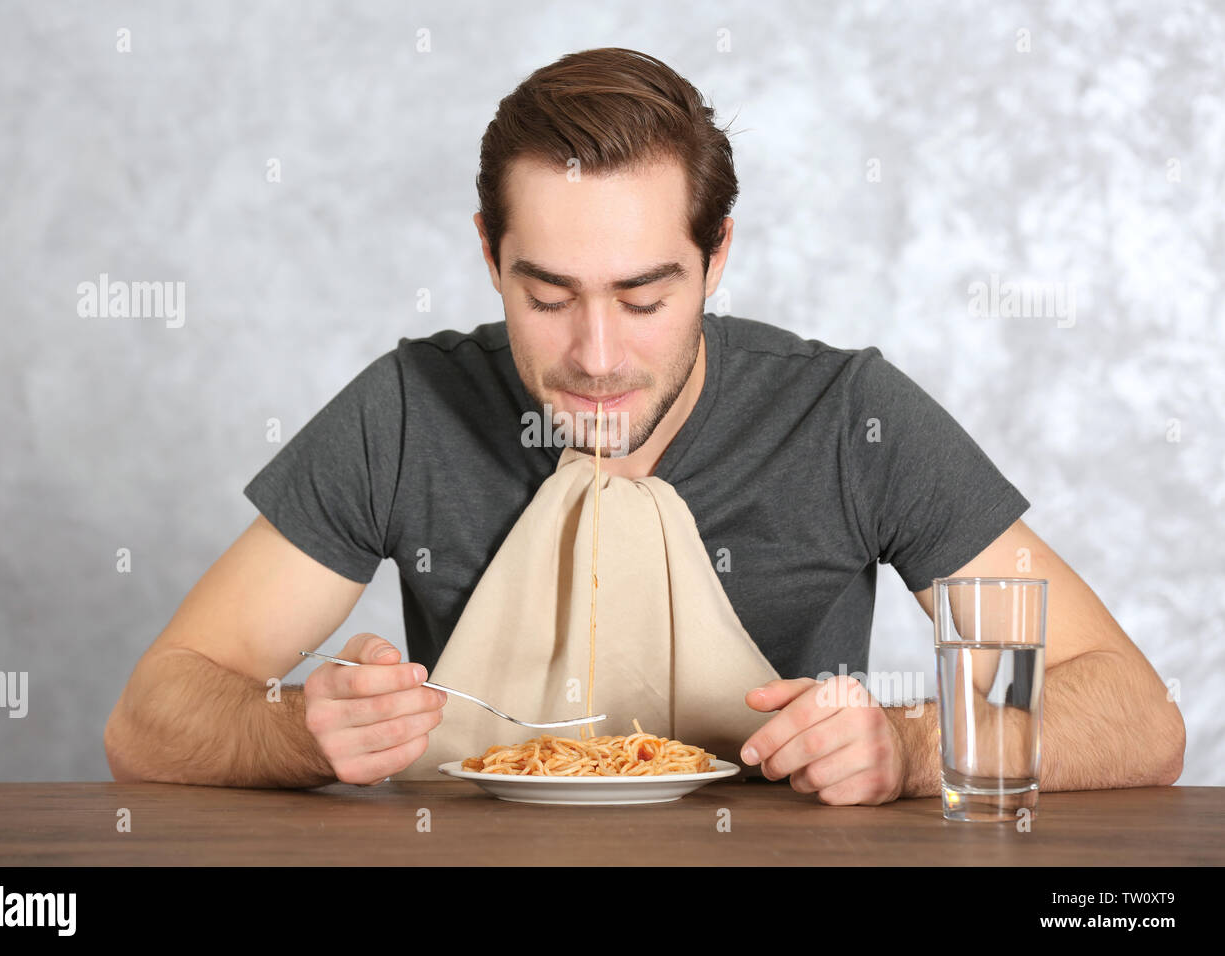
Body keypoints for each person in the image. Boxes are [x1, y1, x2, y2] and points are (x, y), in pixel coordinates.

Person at [104, 47, 1184, 804]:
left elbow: (1135, 714)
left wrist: (909, 747)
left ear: (716, 257)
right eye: (546, 293)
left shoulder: (850, 416)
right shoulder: (407, 407)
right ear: (489, 254)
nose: (597, 354)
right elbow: (150, 716)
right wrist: (301, 731)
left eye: (644, 294)